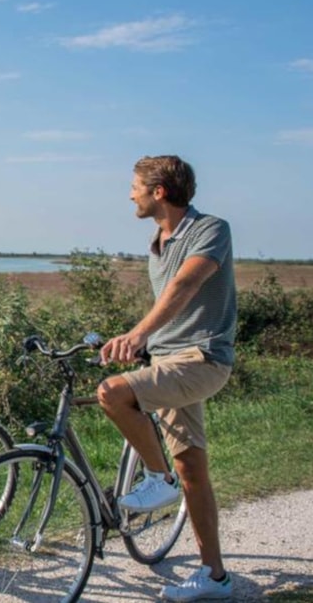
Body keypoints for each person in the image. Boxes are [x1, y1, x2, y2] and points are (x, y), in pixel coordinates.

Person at [98, 155, 237, 601]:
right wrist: (143, 343)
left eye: (135, 186)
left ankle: (159, 479)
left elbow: (184, 287)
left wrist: (138, 332)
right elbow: (171, 310)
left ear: (159, 191)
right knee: (193, 468)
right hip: (168, 361)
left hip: (202, 358)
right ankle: (215, 578)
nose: (130, 194)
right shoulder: (156, 242)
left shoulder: (210, 230)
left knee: (113, 394)